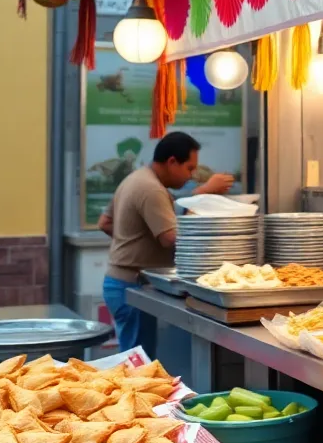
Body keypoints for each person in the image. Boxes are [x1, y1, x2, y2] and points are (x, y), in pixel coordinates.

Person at [98, 132, 233, 355]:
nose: (191, 176)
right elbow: (171, 237)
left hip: (118, 281)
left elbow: (105, 223)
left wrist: (134, 243)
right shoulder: (151, 189)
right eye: (189, 168)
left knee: (133, 358)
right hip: (132, 285)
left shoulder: (135, 178)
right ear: (172, 162)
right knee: (138, 368)